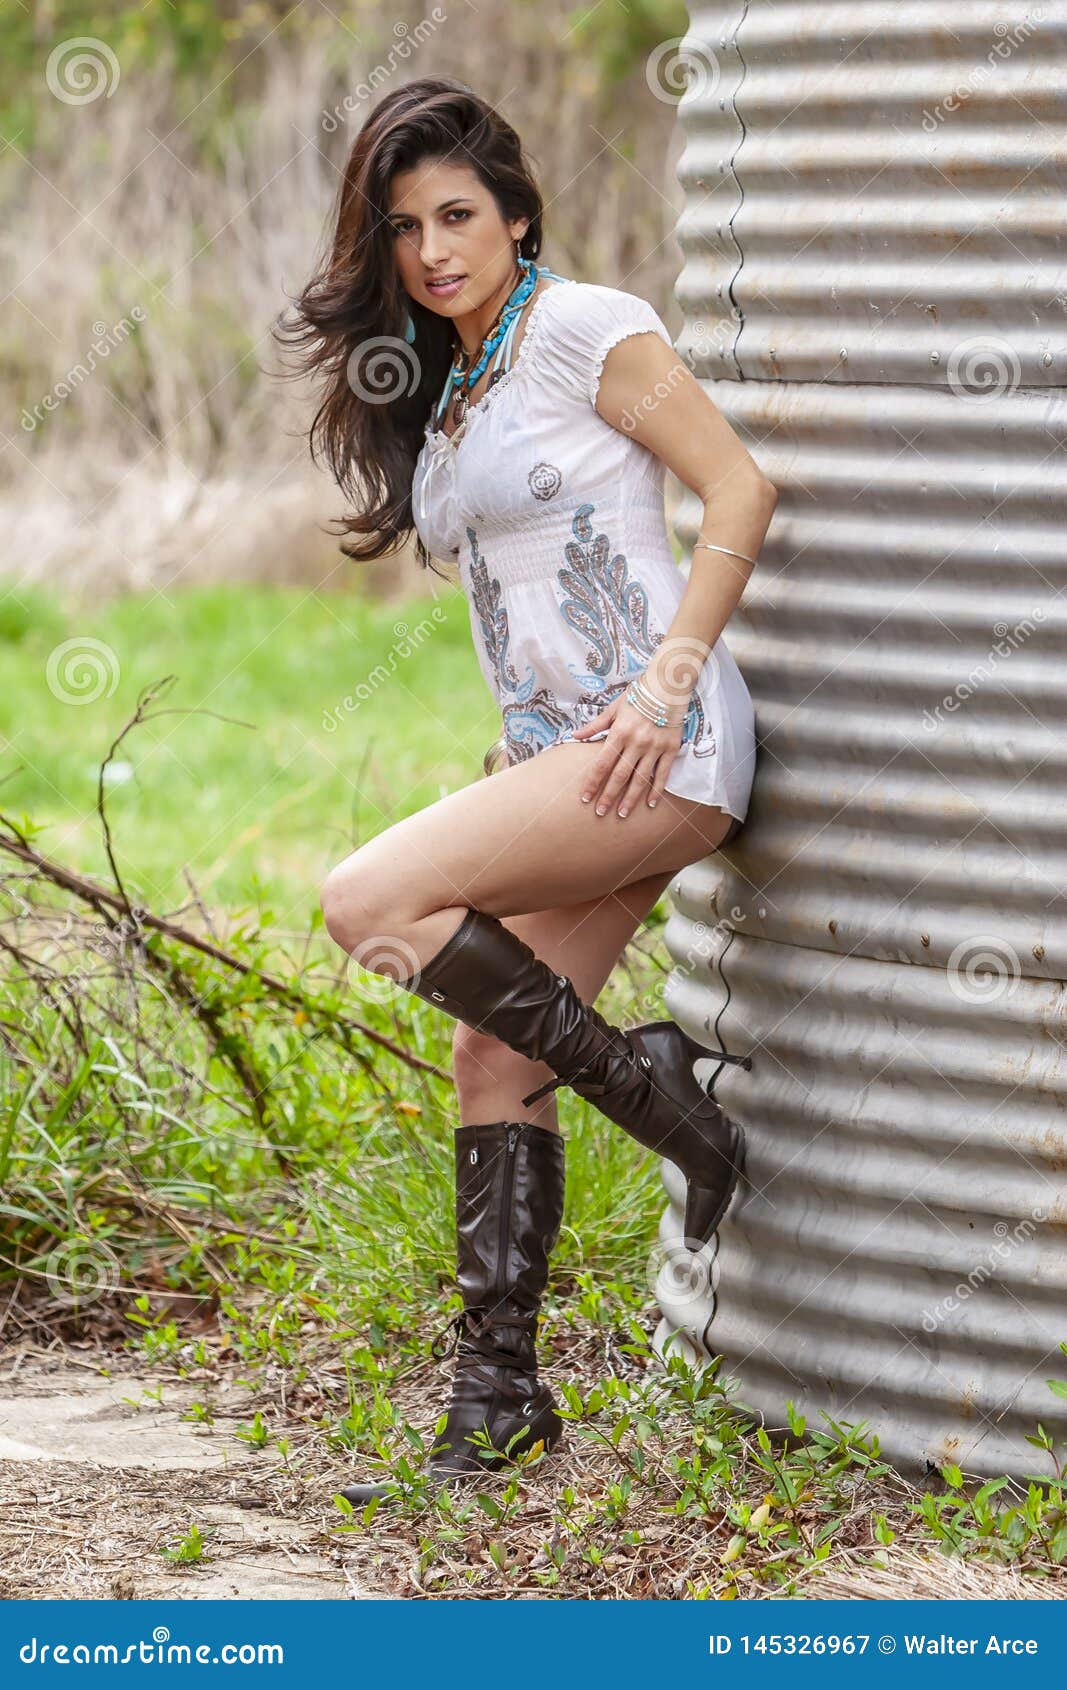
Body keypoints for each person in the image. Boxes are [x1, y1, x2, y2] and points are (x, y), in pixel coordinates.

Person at [277, 76, 777, 1503]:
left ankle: (673, 1106)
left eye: (457, 216)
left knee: (367, 898)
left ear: (514, 213)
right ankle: (496, 1401)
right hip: (571, 762)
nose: (434, 250)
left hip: (661, 743)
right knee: (493, 1056)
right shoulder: (456, 374)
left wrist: (666, 681)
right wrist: (523, 749)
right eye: (404, 229)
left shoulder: (584, 330)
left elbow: (738, 491)